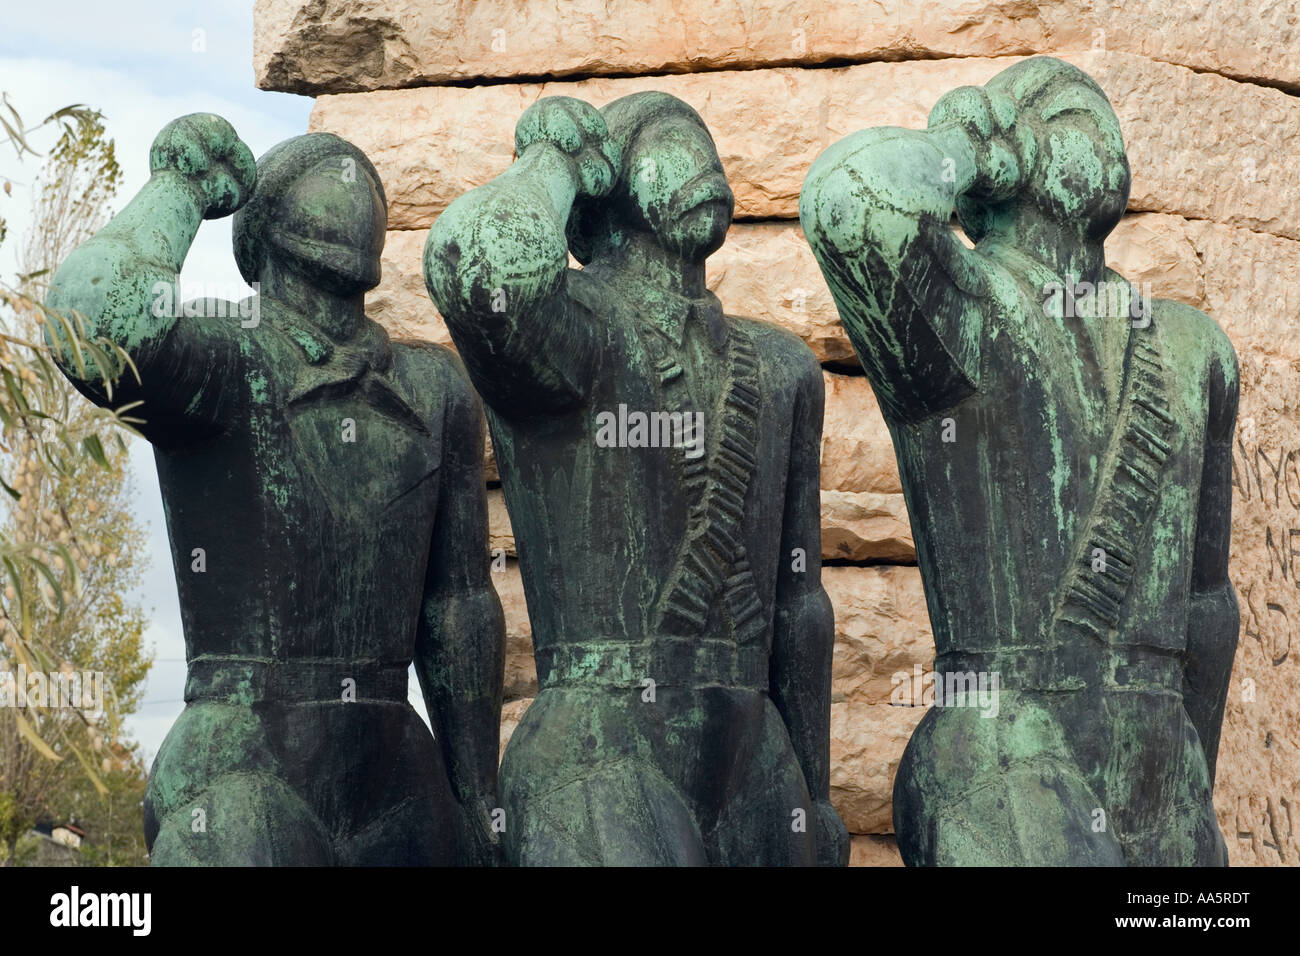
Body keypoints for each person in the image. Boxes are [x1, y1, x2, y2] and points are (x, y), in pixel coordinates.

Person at [800, 57, 1237, 865]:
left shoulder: (1193, 348)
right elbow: (848, 201)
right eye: (1053, 112)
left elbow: (1208, 603)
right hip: (1000, 742)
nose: (1088, 120)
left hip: (1160, 771)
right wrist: (964, 147)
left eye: (1089, 108)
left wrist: (1188, 777)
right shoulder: (965, 309)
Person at [46, 114, 505, 865]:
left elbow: (457, 606)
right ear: (260, 238)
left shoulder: (437, 389)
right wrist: (181, 183)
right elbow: (90, 322)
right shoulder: (225, 364)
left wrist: (476, 794)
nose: (349, 177)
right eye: (318, 170)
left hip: (398, 778)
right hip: (242, 767)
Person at [425, 92, 847, 865]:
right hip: (599, 751)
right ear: (603, 193)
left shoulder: (785, 368)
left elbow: (800, 604)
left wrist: (816, 795)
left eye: (706, 140)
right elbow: (479, 265)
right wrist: (552, 158)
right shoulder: (573, 332)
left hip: (757, 760)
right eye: (669, 141)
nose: (701, 160)